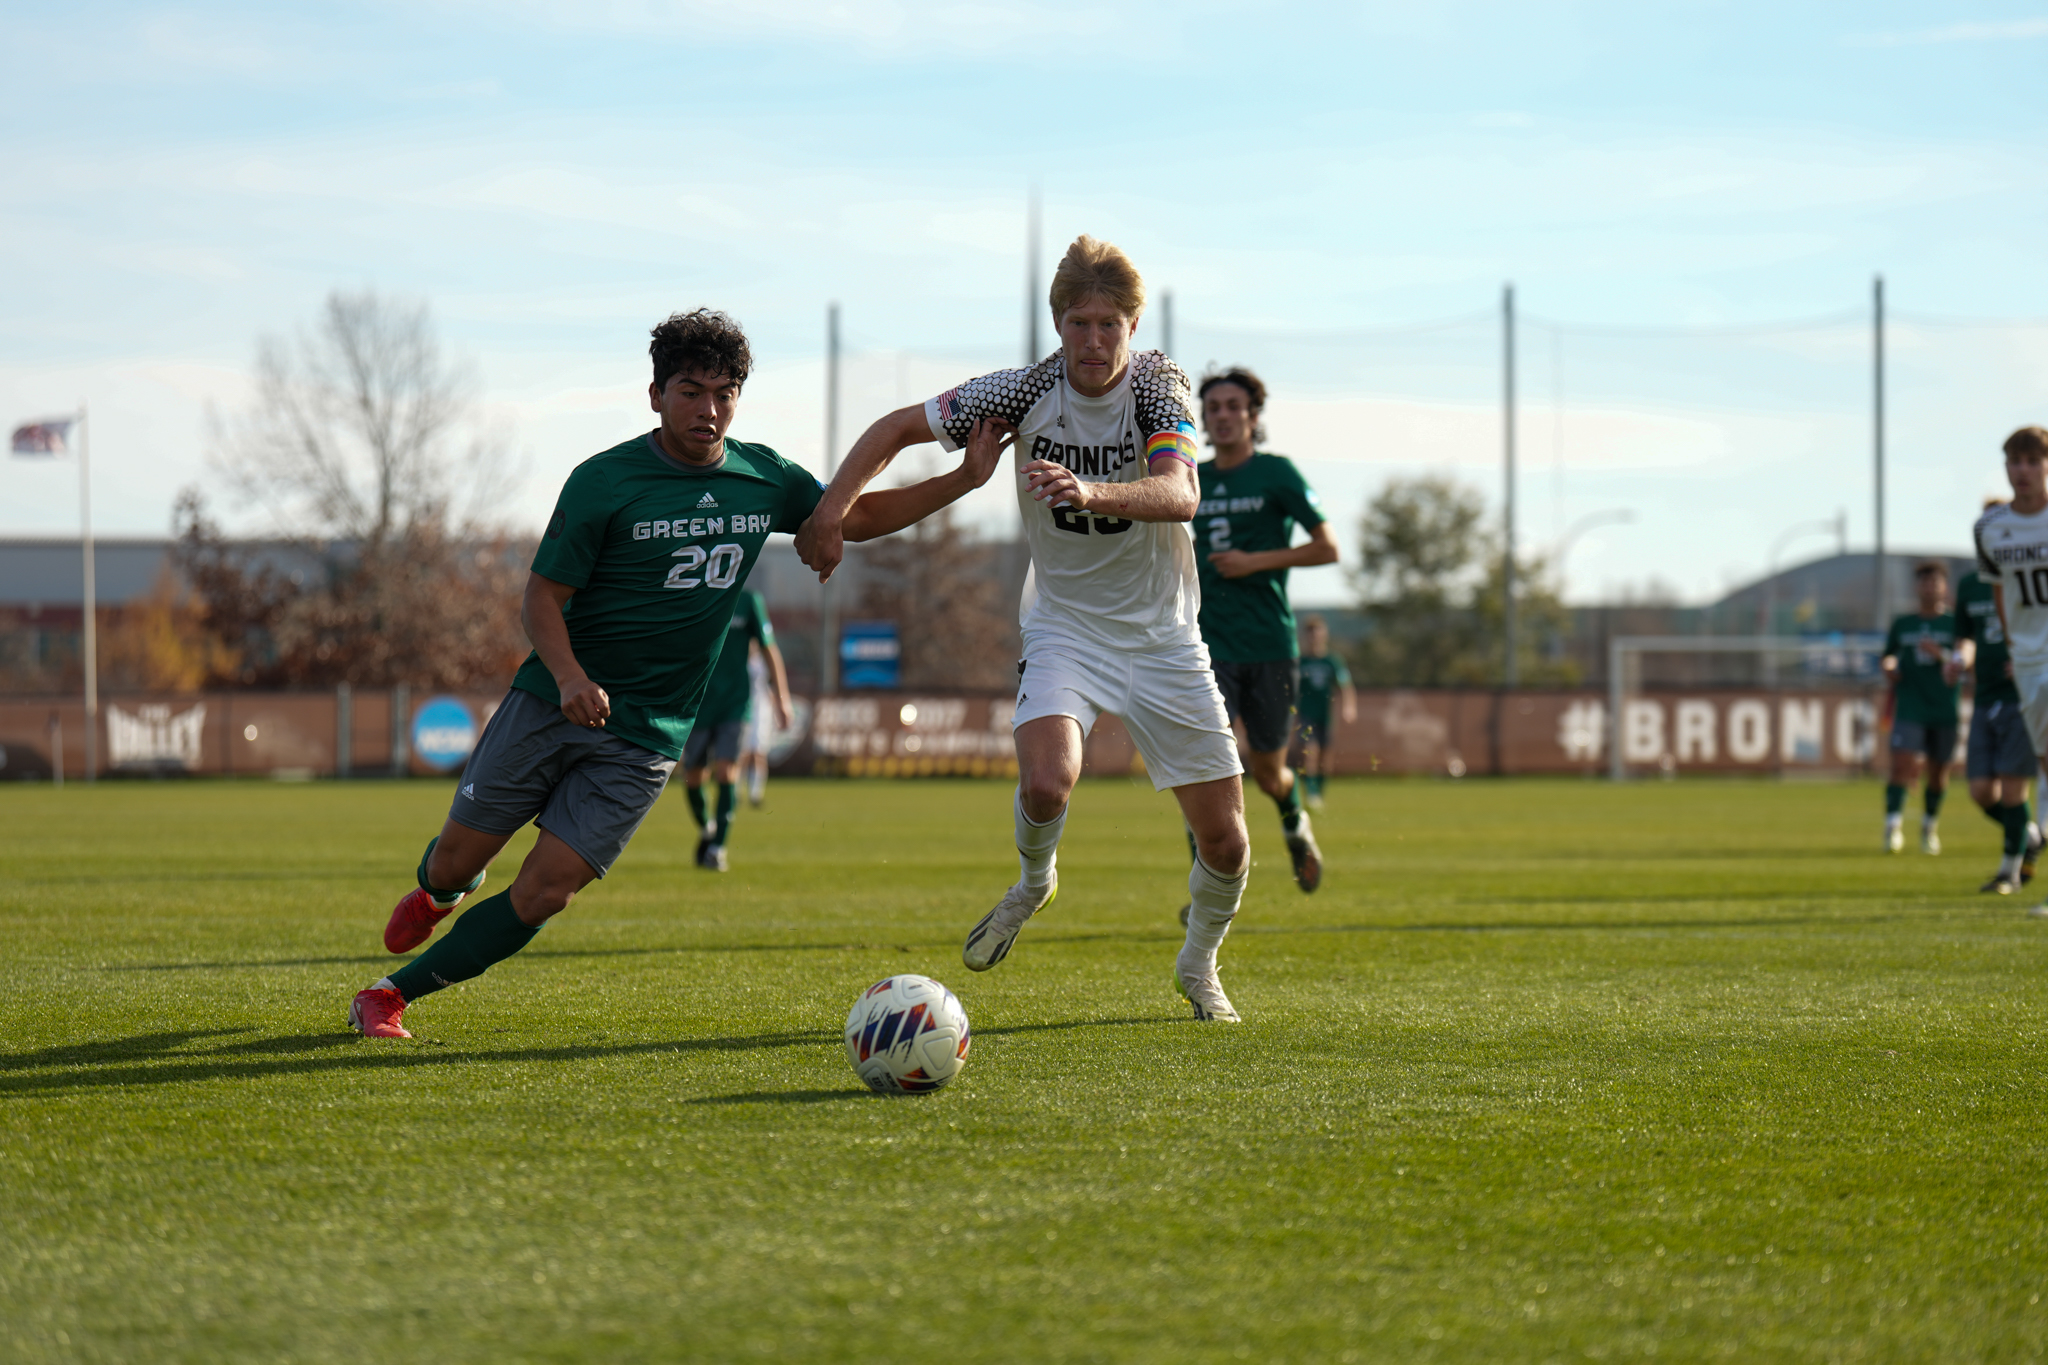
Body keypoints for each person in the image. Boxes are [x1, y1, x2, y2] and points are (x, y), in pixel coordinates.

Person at [348, 308, 1004, 1038]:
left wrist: (965, 480)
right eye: (691, 391)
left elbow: (851, 516)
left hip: (648, 735)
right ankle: (442, 889)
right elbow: (540, 597)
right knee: (456, 860)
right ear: (655, 395)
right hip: (551, 702)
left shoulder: (763, 477)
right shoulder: (603, 481)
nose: (709, 409)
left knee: (546, 891)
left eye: (724, 393)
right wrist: (568, 677)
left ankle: (387, 995)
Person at [798, 235, 1253, 1022]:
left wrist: (1090, 490)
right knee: (1047, 781)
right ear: (1058, 323)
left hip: (1163, 637)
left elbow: (1180, 494)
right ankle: (1035, 881)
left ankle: (1198, 961)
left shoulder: (1158, 386)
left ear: (1133, 327)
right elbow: (894, 428)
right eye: (1079, 322)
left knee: (1228, 845)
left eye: (1111, 323)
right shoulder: (1018, 390)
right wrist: (832, 511)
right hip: (1066, 629)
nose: (1094, 341)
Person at [1186, 366, 1340, 889]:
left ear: (1253, 416)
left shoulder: (1276, 473)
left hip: (1271, 646)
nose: (1224, 416)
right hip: (1206, 646)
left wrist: (1254, 562)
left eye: (1234, 406)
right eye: (1214, 408)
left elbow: (1328, 547)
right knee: (1207, 768)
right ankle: (1208, 889)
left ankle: (1297, 825)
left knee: (1271, 774)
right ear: (1203, 420)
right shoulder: (1190, 476)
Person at [1974, 425, 2048, 917]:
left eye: (2032, 461)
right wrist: (2014, 642)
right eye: (2013, 462)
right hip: (2026, 661)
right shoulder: (1990, 530)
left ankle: (2031, 840)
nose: (2022, 471)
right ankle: (2035, 836)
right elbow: (2001, 589)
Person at [1952, 542, 2043, 893]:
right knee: (1979, 791)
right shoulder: (1969, 585)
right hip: (1984, 697)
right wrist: (1960, 661)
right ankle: (2029, 834)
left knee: (2012, 789)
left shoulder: (2028, 577)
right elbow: (1966, 638)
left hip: (2021, 696)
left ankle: (2010, 872)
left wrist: (2029, 660)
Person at [681, 587, 790, 870]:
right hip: (698, 703)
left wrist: (782, 700)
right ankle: (709, 828)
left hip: (735, 705)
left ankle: (718, 849)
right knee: (692, 777)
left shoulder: (749, 601)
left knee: (727, 770)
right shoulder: (693, 594)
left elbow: (769, 649)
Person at [1879, 560, 1958, 855]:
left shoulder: (1954, 624)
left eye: (1934, 582)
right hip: (1910, 706)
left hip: (1943, 708)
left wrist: (1940, 654)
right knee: (1900, 764)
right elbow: (1888, 656)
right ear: (1917, 587)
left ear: (1943, 587)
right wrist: (1888, 667)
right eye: (1924, 582)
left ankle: (1929, 826)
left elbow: (1964, 662)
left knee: (1938, 774)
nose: (1929, 587)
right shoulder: (1903, 624)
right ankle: (1892, 826)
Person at [1295, 614, 1356, 810]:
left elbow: (1345, 686)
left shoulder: (1332, 661)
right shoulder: (1300, 662)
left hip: (1326, 715)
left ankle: (1319, 792)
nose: (1314, 636)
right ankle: (1311, 794)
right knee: (1309, 752)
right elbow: (1289, 689)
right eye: (1310, 633)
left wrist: (1349, 707)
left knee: (1325, 757)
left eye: (1317, 631)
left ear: (1324, 634)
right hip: (1305, 714)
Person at [741, 647, 774, 807]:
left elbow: (770, 685)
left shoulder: (763, 660)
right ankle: (736, 792)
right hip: (742, 708)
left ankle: (756, 794)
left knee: (758, 752)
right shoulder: (739, 658)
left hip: (761, 710)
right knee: (742, 754)